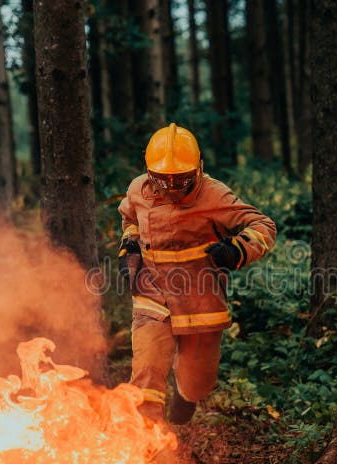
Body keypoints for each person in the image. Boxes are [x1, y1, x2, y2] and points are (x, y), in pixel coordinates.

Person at [117, 123, 277, 424]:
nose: (173, 188)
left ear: (199, 168)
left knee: (197, 383)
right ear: (150, 173)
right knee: (146, 373)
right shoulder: (138, 189)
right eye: (164, 181)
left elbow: (264, 226)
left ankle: (186, 395)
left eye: (182, 180)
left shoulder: (215, 195)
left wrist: (237, 250)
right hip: (153, 297)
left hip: (201, 304)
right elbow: (129, 218)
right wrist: (130, 247)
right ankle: (147, 446)